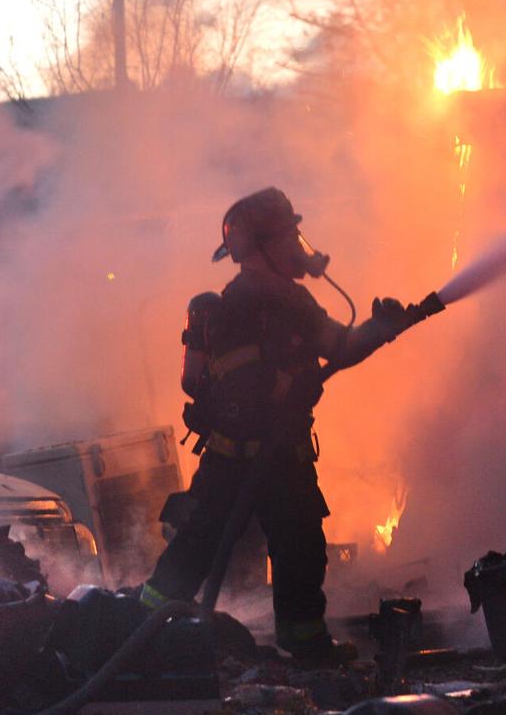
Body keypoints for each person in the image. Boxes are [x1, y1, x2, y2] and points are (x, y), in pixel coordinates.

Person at [139, 187, 436, 662]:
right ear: (260, 249)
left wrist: (380, 330)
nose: (298, 246)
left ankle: (305, 642)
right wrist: (279, 388)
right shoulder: (236, 306)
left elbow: (339, 346)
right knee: (199, 546)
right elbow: (241, 387)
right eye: (287, 237)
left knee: (301, 551)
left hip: (287, 459)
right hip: (235, 461)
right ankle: (141, 629)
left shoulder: (295, 301)